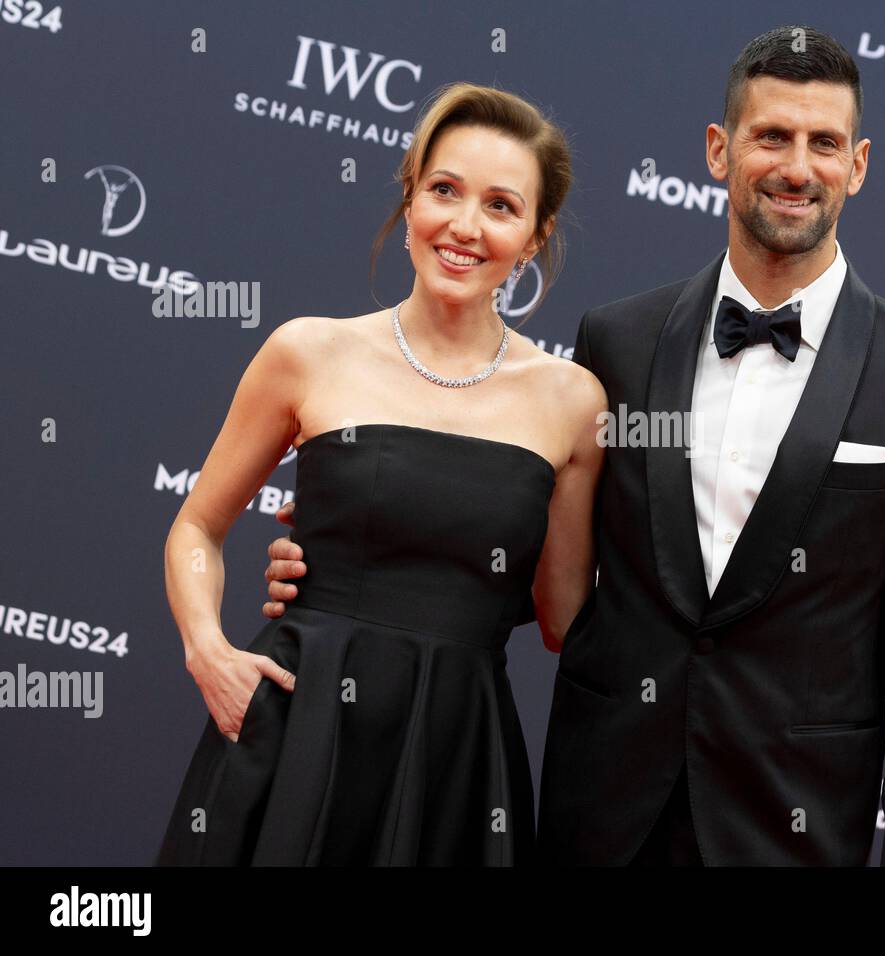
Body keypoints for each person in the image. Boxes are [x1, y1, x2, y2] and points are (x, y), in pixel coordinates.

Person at [267, 25, 885, 867]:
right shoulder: (617, 345)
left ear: (857, 165)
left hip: (790, 828)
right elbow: (529, 537)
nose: (797, 167)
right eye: (771, 136)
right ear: (719, 151)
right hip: (601, 816)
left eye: (823, 143)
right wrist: (362, 546)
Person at [155, 81, 606, 866]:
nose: (464, 226)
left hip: (456, 753)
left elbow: (565, 617)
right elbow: (197, 525)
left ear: (535, 237)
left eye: (501, 206)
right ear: (409, 198)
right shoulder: (308, 352)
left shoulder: (572, 401)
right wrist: (209, 651)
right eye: (444, 190)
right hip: (299, 727)